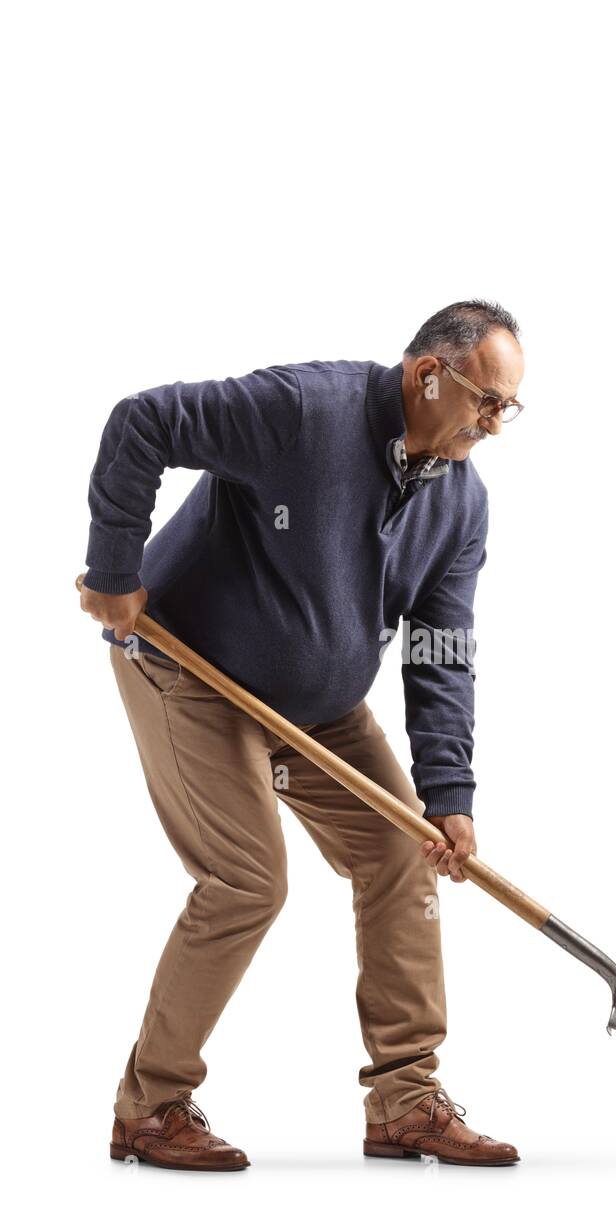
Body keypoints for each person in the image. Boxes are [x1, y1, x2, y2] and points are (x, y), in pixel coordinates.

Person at [80, 299, 525, 1170]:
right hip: (187, 673)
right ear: (429, 375)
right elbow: (143, 422)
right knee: (247, 879)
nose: (495, 424)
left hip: (318, 708)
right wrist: (114, 567)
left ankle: (405, 1100)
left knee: (405, 850)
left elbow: (439, 654)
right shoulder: (303, 412)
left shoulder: (460, 508)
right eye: (488, 400)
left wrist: (450, 798)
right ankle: (151, 1105)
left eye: (509, 408)